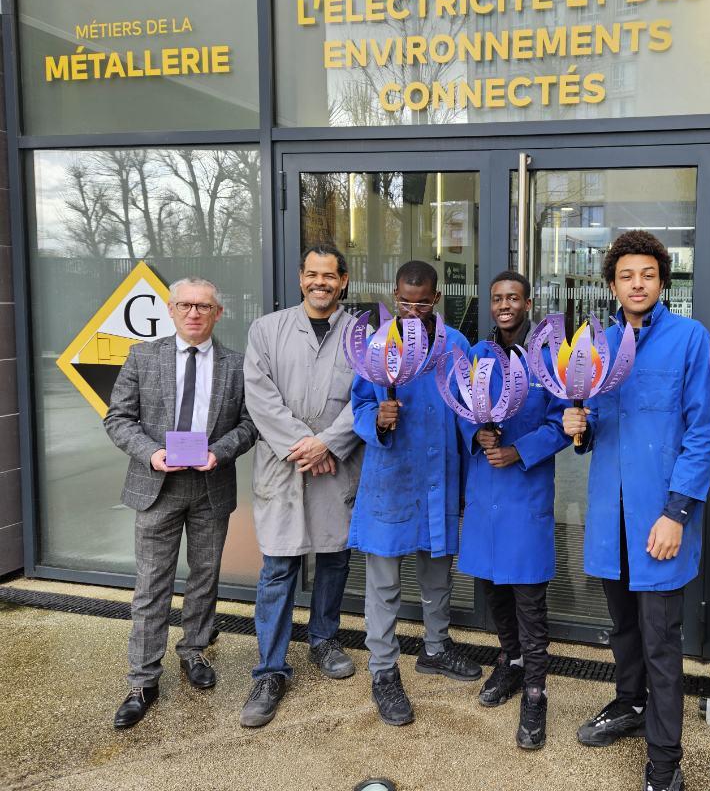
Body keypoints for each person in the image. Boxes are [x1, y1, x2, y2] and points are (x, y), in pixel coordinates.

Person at [562, 230, 710, 791]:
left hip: (660, 520)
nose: (637, 283)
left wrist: (677, 513)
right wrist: (578, 430)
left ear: (662, 280)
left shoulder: (688, 339)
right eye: (627, 275)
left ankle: (665, 761)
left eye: (647, 274)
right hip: (611, 517)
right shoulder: (596, 345)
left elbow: (701, 432)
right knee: (623, 628)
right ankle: (629, 704)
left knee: (660, 641)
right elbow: (599, 425)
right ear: (612, 284)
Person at [103, 276, 257, 729]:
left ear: (217, 314)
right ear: (170, 310)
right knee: (152, 584)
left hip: (211, 485)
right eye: (185, 305)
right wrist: (151, 453)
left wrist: (221, 451)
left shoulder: (236, 364)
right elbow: (118, 419)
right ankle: (142, 679)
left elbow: (250, 424)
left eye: (203, 306)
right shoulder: (143, 357)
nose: (194, 313)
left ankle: (194, 651)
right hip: (157, 486)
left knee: (205, 578)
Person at [350, 260, 481, 727]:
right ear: (393, 294)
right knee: (383, 584)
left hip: (440, 477)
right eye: (404, 300)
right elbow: (360, 405)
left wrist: (471, 469)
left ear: (437, 299)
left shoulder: (457, 346)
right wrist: (377, 421)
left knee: (436, 575)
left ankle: (436, 647)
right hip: (391, 479)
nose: (412, 309)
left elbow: (469, 413)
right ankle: (383, 671)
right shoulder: (375, 345)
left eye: (421, 302)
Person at [238, 244, 364, 728]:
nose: (320, 283)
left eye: (329, 276)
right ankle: (270, 669)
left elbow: (368, 396)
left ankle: (325, 639)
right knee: (278, 568)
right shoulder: (266, 330)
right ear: (300, 278)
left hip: (335, 464)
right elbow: (260, 396)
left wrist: (328, 444)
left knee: (334, 559)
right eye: (312, 274)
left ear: (344, 281)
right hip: (284, 464)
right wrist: (304, 445)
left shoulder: (362, 334)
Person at [455, 270, 570, 750]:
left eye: (513, 298)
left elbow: (565, 422)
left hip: (524, 496)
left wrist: (520, 451)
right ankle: (512, 663)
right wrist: (478, 438)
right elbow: (460, 411)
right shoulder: (476, 357)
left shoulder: (548, 357)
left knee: (528, 600)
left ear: (528, 302)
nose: (504, 305)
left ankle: (536, 694)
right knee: (494, 591)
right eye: (497, 298)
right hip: (485, 495)